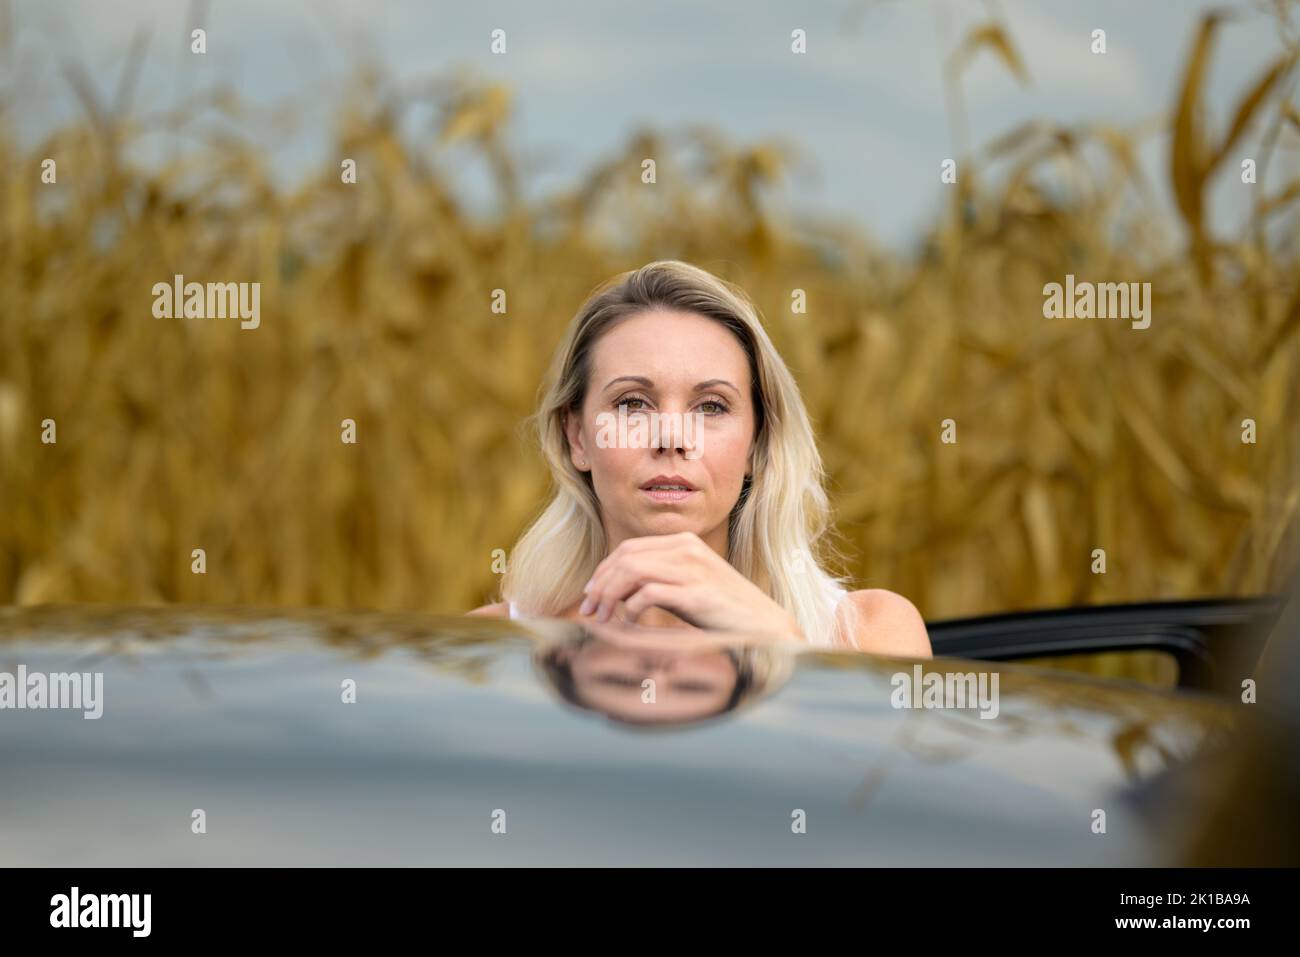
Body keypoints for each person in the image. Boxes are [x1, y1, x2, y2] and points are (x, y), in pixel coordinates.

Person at [470, 260, 931, 657]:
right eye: (633, 403)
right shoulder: (489, 648)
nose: (672, 438)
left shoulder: (872, 636)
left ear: (757, 444)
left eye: (711, 406)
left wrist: (780, 646)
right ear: (578, 438)